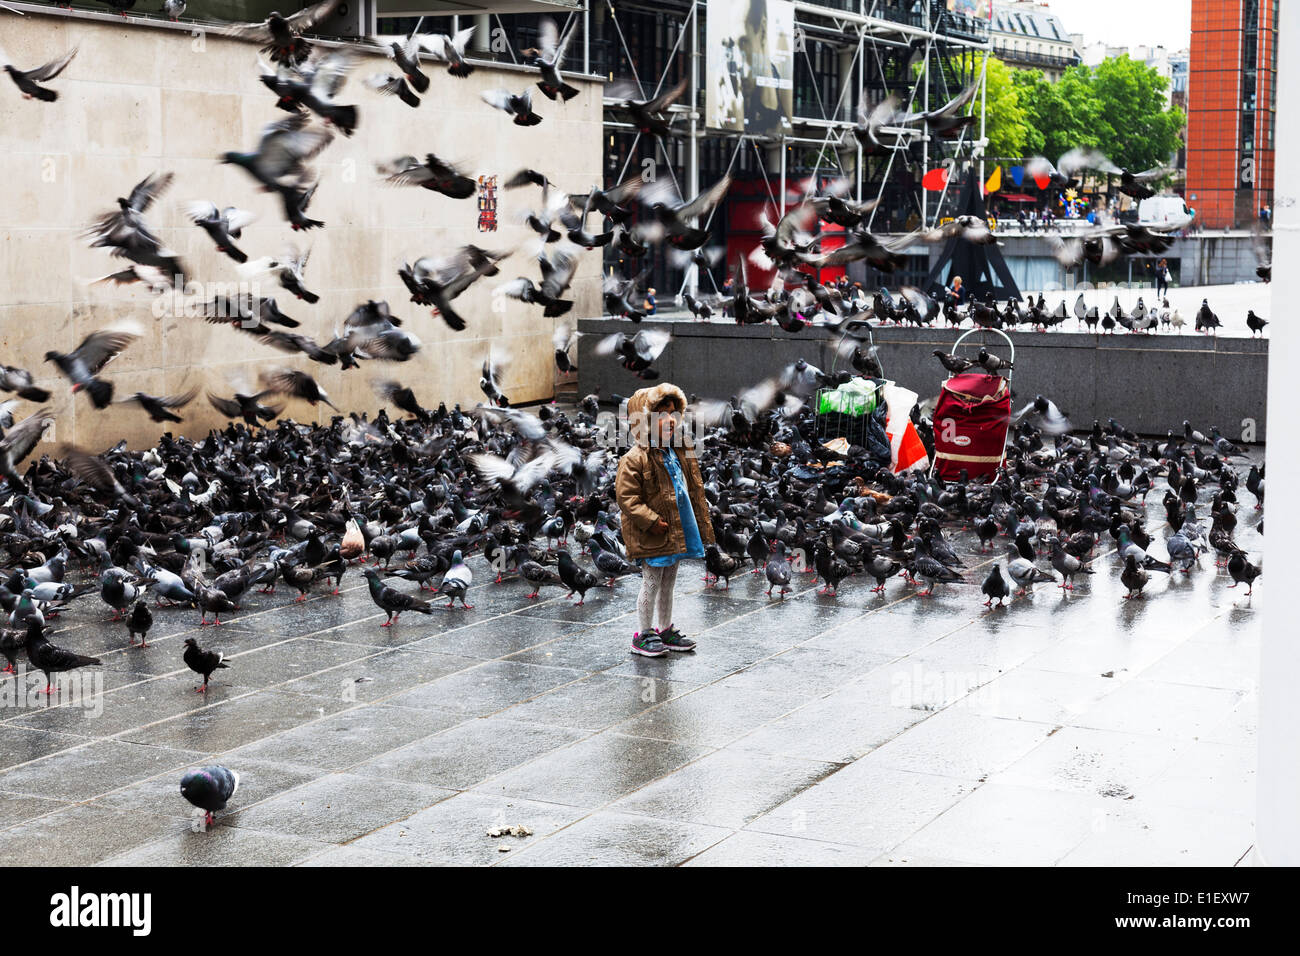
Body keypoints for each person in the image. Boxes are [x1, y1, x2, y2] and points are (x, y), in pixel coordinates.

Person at [615, 384, 715, 657]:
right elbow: (627, 498)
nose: (670, 420)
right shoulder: (635, 459)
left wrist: (698, 514)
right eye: (661, 415)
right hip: (653, 531)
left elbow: (691, 485)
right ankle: (643, 634)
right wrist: (649, 520)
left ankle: (664, 628)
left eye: (673, 414)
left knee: (669, 580)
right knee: (651, 580)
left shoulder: (678, 450)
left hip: (677, 527)